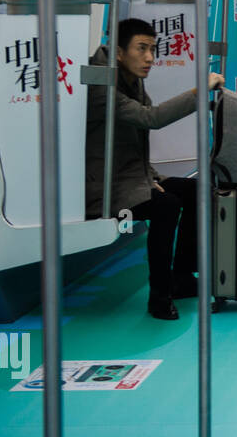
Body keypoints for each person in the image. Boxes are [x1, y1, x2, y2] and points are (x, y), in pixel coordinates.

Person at [85, 17, 224, 320]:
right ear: (119, 52)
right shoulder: (101, 86)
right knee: (166, 205)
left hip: (130, 180)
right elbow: (151, 118)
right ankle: (159, 295)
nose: (150, 58)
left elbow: (131, 143)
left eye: (153, 49)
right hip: (104, 188)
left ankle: (182, 277)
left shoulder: (129, 79)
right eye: (142, 49)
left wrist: (151, 177)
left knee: (198, 190)